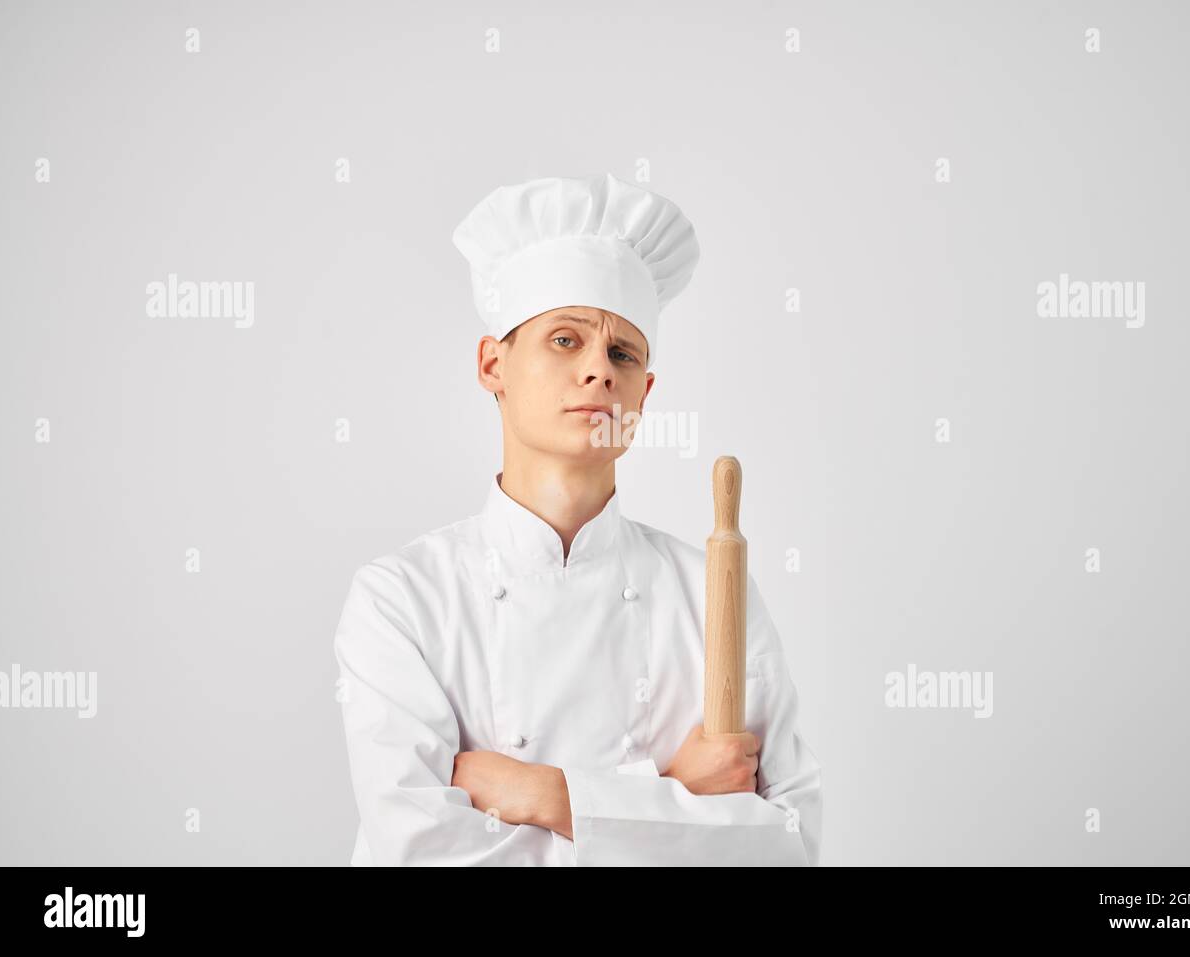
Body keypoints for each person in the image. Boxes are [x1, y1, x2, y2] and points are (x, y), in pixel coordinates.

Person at [333, 172, 823, 865]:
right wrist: (670, 795)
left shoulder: (714, 594)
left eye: (623, 352)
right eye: (566, 340)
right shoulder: (402, 599)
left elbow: (790, 847)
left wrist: (545, 796)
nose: (599, 370)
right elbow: (419, 852)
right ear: (492, 364)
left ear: (645, 392)